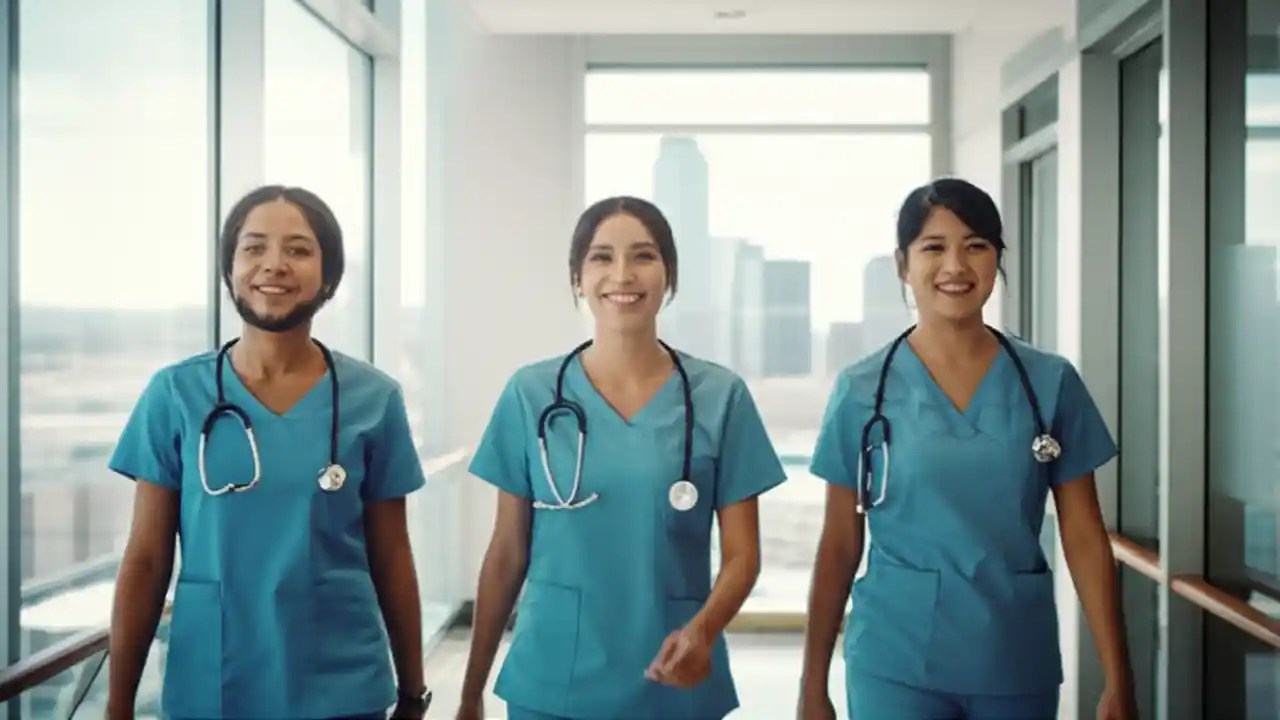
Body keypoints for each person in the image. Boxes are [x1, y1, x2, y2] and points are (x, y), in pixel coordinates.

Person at [798, 178, 1135, 720]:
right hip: (895, 658)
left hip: (1012, 655)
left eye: (976, 245)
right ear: (902, 265)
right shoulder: (863, 389)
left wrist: (1119, 678)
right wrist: (812, 686)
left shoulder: (1049, 381)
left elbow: (1084, 535)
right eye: (933, 247)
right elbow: (840, 542)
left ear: (997, 260)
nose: (955, 265)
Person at [105, 185, 432, 720]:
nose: (274, 264)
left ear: (328, 274)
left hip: (342, 688)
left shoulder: (375, 400)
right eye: (254, 248)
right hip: (214, 686)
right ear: (230, 268)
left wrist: (413, 692)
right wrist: (118, 706)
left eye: (298, 249)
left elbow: (392, 556)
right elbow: (146, 560)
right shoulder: (176, 395)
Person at [456, 196, 787, 720]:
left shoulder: (721, 397)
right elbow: (506, 554)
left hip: (674, 672)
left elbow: (743, 556)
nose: (623, 274)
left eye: (644, 256)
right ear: (577, 278)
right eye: (601, 257)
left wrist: (702, 632)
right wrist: (470, 691)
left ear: (669, 276)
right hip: (552, 676)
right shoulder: (531, 394)